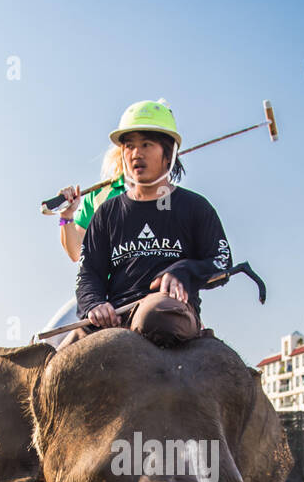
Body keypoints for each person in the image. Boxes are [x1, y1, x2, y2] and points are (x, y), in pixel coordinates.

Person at [67, 99, 232, 348]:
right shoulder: (106, 213)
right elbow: (88, 272)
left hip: (168, 311)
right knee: (53, 363)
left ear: (169, 154)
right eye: (129, 146)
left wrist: (183, 271)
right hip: (115, 316)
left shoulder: (195, 207)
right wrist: (94, 304)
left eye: (146, 144)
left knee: (152, 314)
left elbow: (222, 263)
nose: (136, 154)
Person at [57, 145, 125, 263]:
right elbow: (77, 253)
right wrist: (66, 216)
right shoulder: (100, 194)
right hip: (109, 281)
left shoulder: (166, 193)